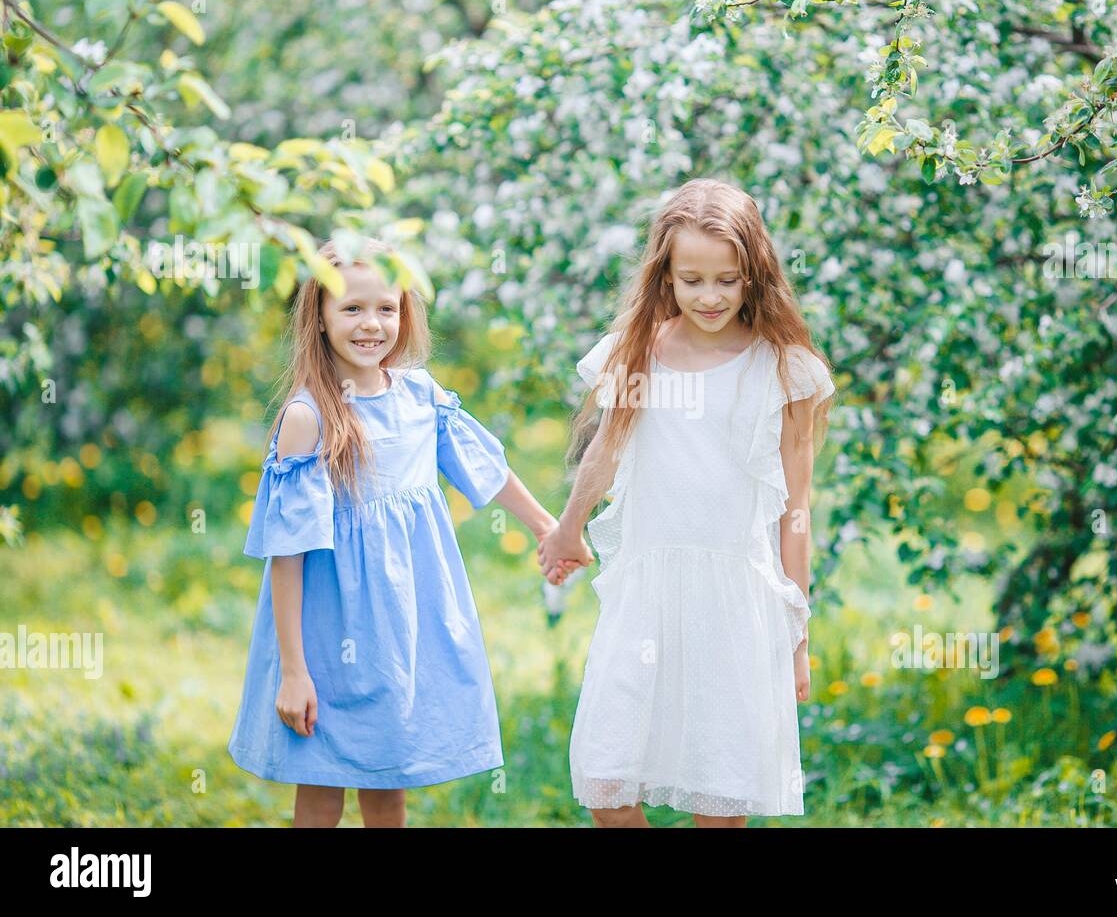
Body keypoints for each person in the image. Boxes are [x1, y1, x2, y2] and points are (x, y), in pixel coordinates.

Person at [228, 236, 584, 826]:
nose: (371, 325)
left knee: (390, 773)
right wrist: (294, 670)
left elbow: (484, 469)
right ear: (318, 317)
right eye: (351, 309)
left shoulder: (420, 394)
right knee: (320, 783)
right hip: (325, 629)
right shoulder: (307, 417)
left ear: (405, 312)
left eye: (386, 309)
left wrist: (549, 528)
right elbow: (285, 557)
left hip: (401, 624)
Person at [538, 179, 836, 827]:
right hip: (647, 591)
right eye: (690, 279)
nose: (709, 296)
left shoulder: (783, 369)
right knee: (606, 779)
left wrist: (797, 638)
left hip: (737, 600)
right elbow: (606, 451)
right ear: (664, 277)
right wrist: (567, 529)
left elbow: (796, 510)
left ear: (754, 275)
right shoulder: (639, 351)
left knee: (718, 791)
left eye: (727, 280)